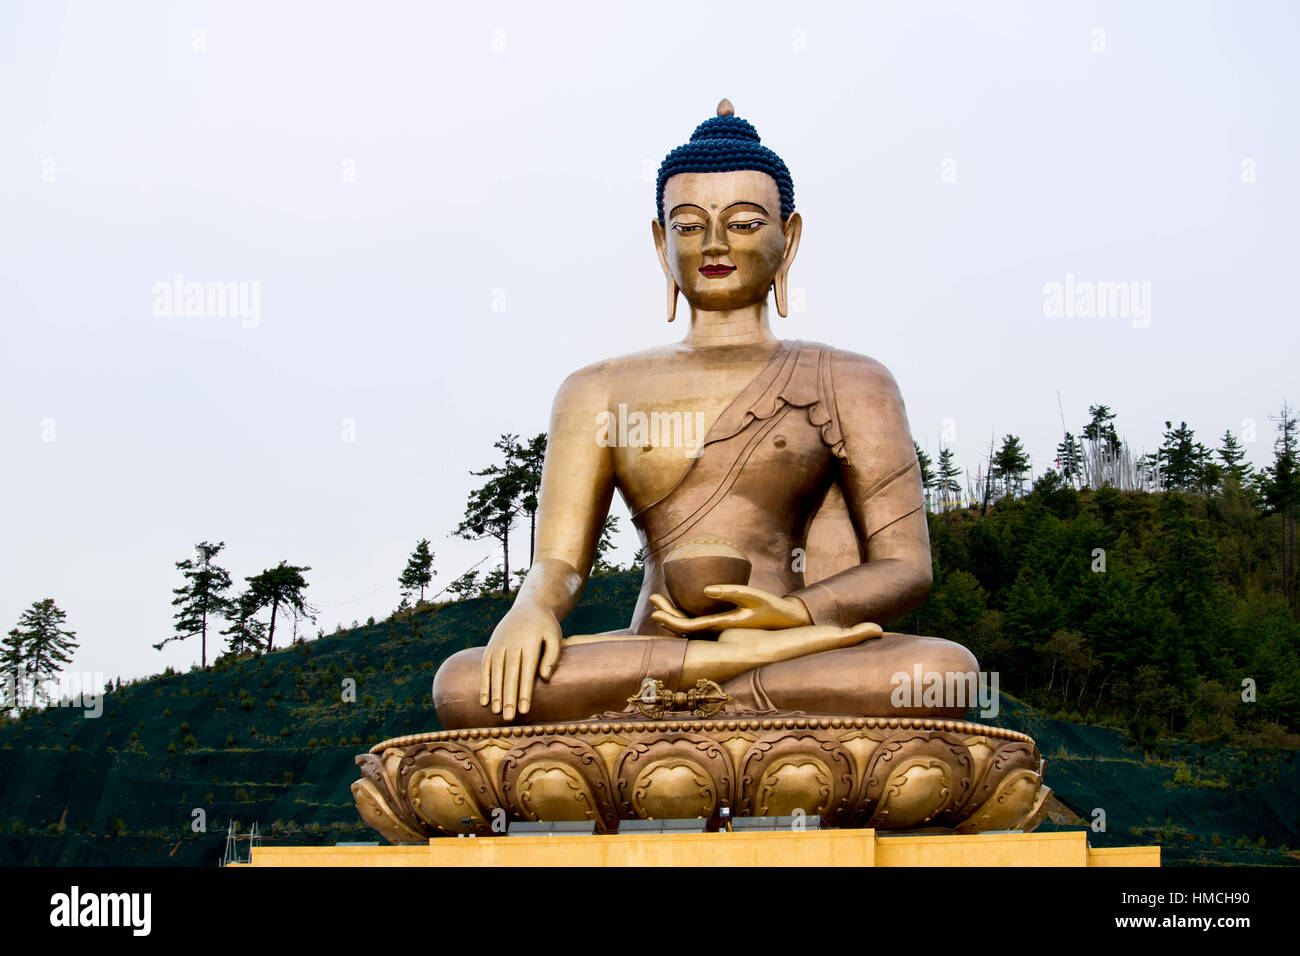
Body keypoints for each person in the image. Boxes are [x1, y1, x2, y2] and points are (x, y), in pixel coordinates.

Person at [432, 101, 977, 729]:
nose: (715, 244)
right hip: (655, 647)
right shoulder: (596, 390)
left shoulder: (853, 380)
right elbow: (559, 564)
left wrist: (795, 617)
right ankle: (710, 689)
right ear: (661, 242)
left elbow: (905, 567)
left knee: (938, 674)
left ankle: (670, 708)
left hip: (787, 646)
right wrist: (532, 610)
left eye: (744, 223)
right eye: (689, 226)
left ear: (789, 238)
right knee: (466, 685)